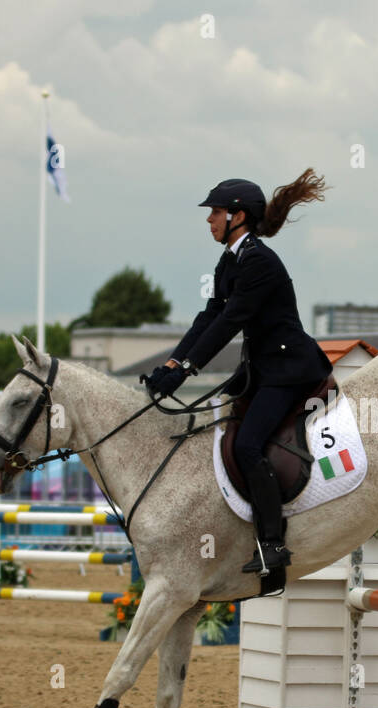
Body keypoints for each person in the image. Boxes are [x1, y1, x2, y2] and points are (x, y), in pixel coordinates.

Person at [144, 169, 333, 576]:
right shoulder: (230, 261)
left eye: (215, 213)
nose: (209, 220)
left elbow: (231, 321)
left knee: (247, 445)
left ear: (237, 216)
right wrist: (173, 364)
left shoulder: (259, 262)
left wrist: (188, 370)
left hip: (289, 369)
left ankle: (272, 543)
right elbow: (209, 316)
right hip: (263, 369)